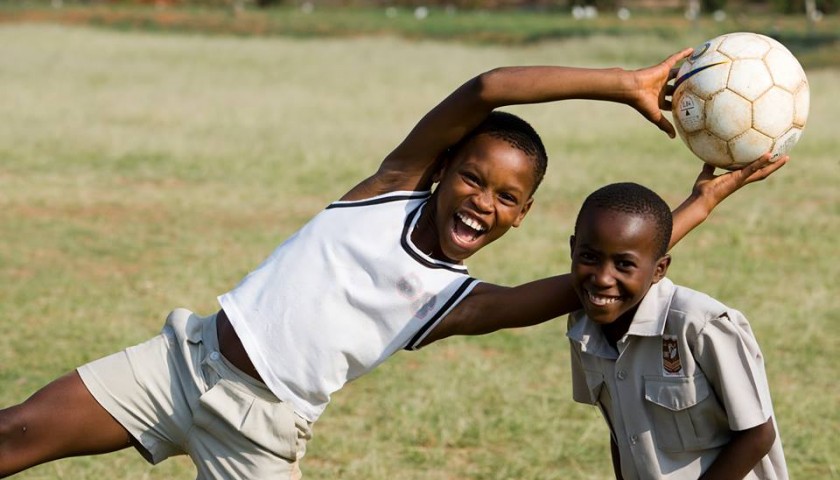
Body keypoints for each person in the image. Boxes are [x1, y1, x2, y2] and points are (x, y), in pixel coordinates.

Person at [0, 47, 787, 479]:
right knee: (16, 433)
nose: (484, 201)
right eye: (474, 178)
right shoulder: (385, 190)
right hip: (181, 363)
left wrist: (701, 206)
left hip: (260, 436)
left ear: (523, 216)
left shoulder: (451, 302)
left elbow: (601, 281)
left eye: (507, 198)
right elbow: (488, 87)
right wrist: (621, 85)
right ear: (441, 170)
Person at [566, 182, 788, 479]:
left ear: (659, 269)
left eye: (624, 264)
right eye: (590, 257)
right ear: (572, 249)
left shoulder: (700, 325)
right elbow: (622, 429)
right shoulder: (582, 327)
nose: (603, 278)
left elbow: (758, 434)